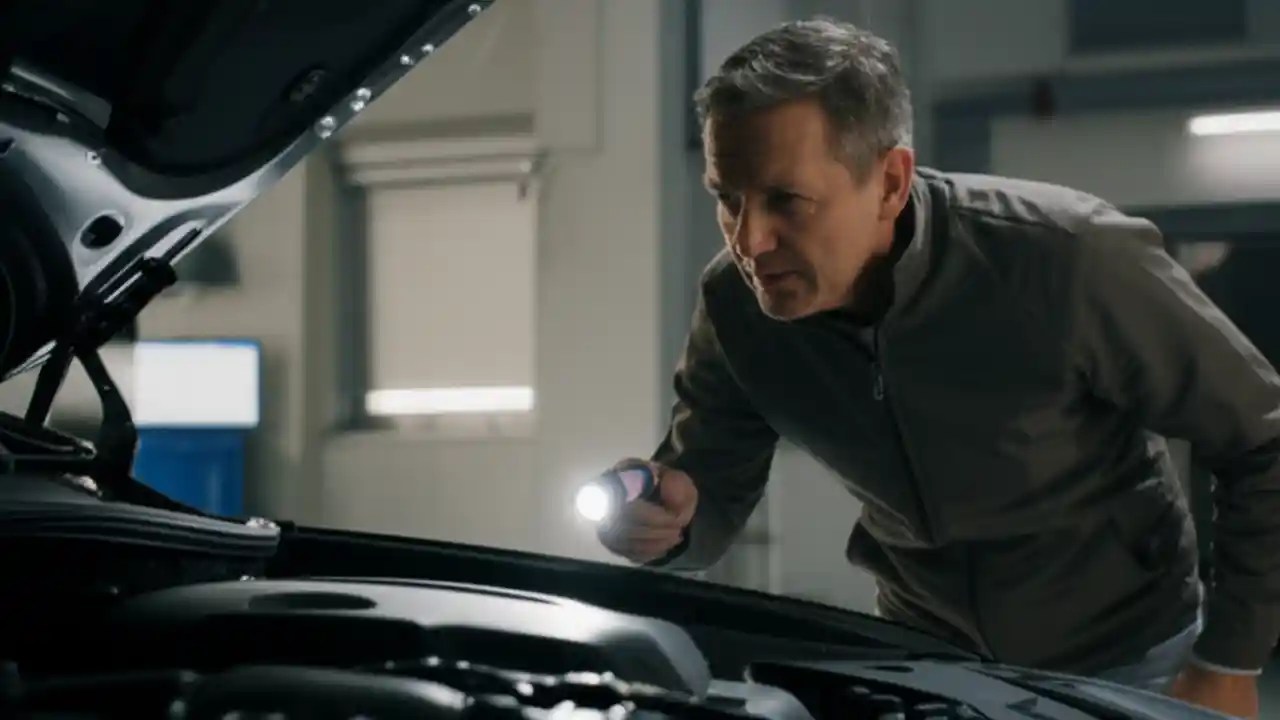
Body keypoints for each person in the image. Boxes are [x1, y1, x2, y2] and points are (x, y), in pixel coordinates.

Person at [596, 17, 1279, 720]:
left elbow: (1262, 438)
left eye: (785, 201)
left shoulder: (1068, 258)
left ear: (890, 182)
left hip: (1132, 665)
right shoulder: (736, 307)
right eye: (726, 198)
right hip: (925, 664)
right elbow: (703, 489)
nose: (749, 241)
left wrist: (1230, 660)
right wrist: (665, 528)